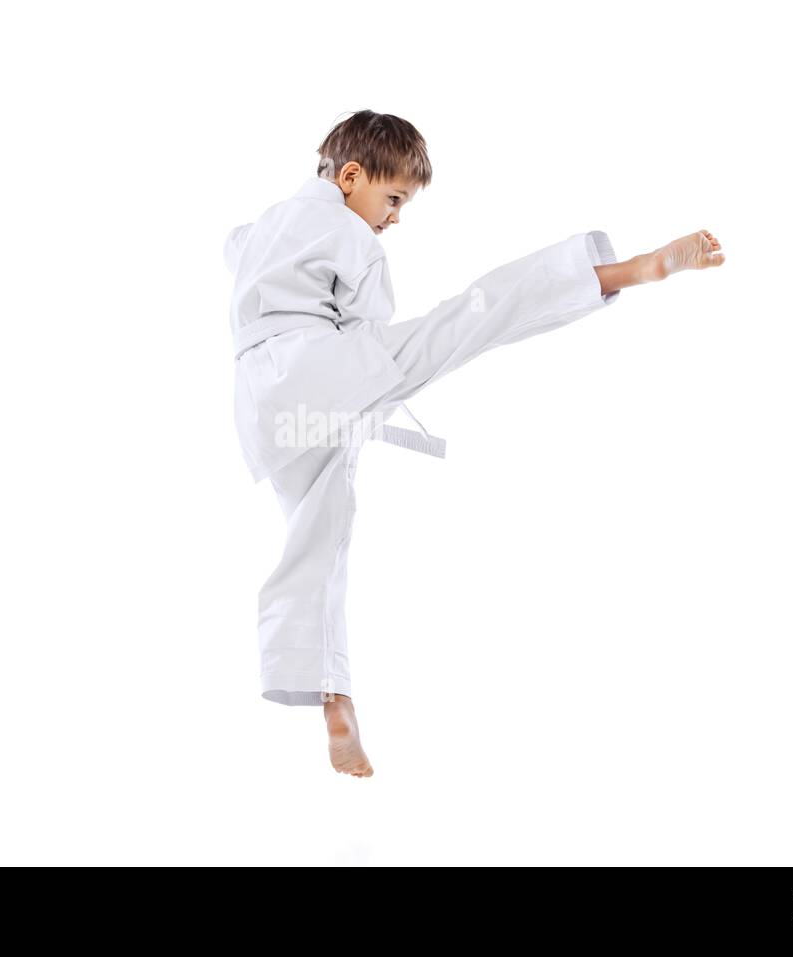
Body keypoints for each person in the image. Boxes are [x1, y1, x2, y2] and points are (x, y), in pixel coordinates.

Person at [223, 110, 725, 777]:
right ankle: (620, 271)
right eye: (392, 198)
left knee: (321, 536)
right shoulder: (342, 227)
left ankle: (334, 697)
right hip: (318, 370)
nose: (394, 217)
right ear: (349, 176)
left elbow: (235, 255)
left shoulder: (258, 231)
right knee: (468, 318)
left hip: (263, 414)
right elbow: (373, 313)